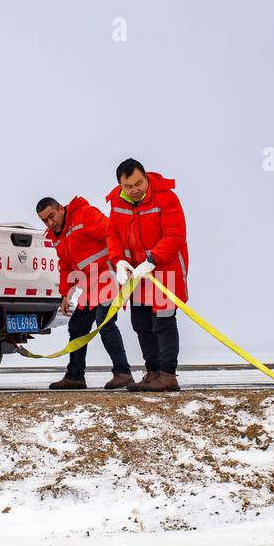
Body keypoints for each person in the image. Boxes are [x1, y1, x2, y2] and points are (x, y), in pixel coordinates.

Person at [105, 158, 188, 392]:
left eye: (139, 183)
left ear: (146, 177)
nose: (135, 190)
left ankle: (168, 374)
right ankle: (153, 372)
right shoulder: (117, 203)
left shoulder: (166, 198)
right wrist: (118, 260)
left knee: (163, 322)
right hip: (137, 275)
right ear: (120, 185)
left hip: (164, 272)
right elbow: (113, 235)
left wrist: (152, 260)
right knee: (141, 322)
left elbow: (175, 235)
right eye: (128, 186)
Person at [36, 196, 134, 390]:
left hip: (109, 277)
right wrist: (65, 294)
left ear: (61, 209)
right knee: (77, 326)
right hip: (89, 286)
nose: (50, 223)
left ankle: (123, 373)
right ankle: (75, 376)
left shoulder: (85, 215)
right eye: (44, 220)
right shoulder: (57, 236)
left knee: (104, 322)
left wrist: (122, 263)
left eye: (51, 216)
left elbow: (113, 234)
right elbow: (65, 266)